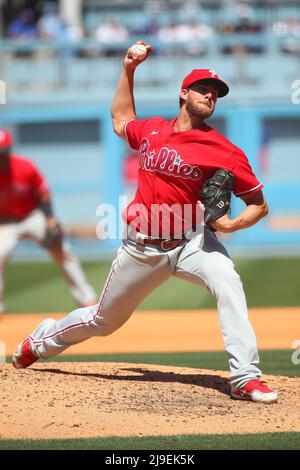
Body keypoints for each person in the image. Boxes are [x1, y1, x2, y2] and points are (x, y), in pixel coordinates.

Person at [12, 42, 278, 404]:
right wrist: (128, 69)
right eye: (203, 88)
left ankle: (245, 377)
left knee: (228, 283)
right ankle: (41, 341)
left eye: (215, 93)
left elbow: (258, 205)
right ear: (183, 93)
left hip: (192, 242)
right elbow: (121, 120)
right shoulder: (153, 130)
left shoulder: (224, 150)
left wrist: (231, 227)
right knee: (103, 321)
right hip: (141, 248)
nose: (210, 95)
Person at [0, 130, 97, 315]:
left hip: (31, 216)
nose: (1, 157)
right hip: (6, 223)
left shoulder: (24, 167)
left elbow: (43, 192)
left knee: (62, 250)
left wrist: (51, 221)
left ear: (9, 150)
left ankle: (86, 299)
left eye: (3, 153)